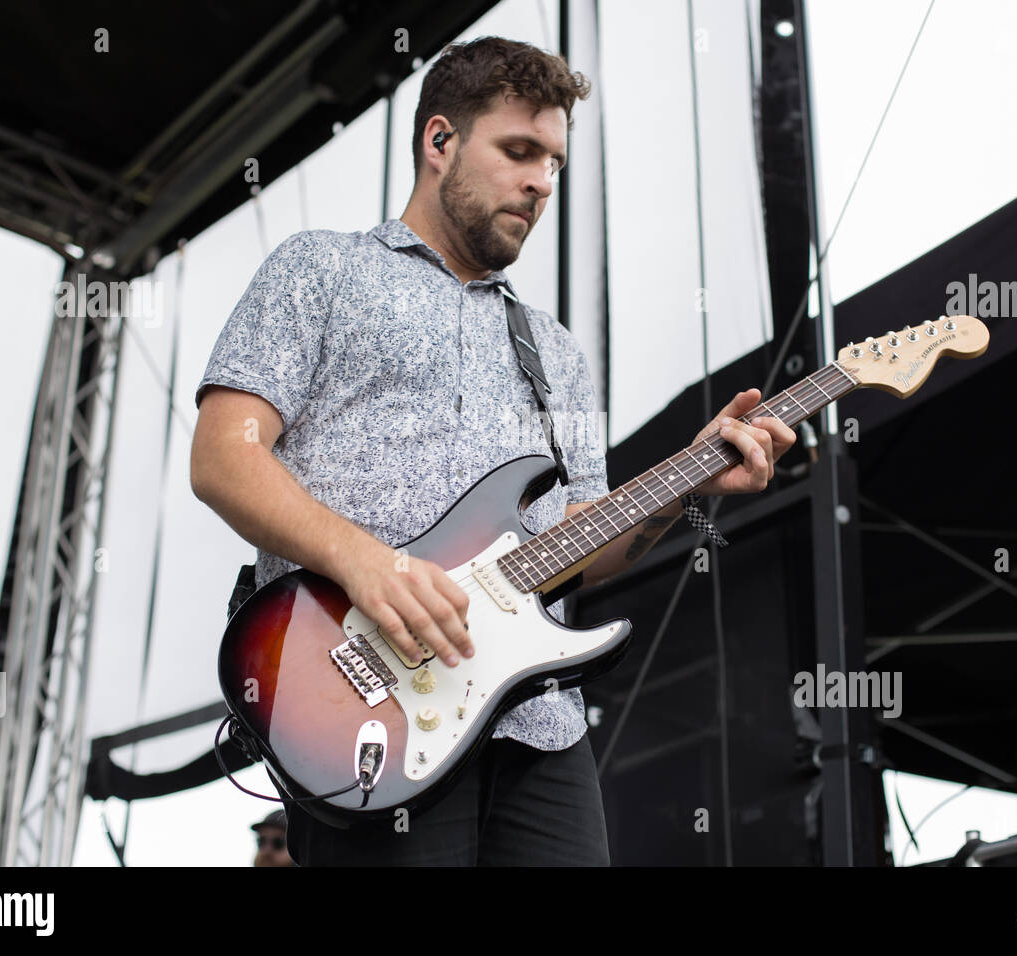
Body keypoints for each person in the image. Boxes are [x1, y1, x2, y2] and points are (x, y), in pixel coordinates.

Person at [190, 35, 795, 866]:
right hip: (360, 706)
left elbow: (584, 545)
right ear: (439, 142)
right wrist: (368, 563)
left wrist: (689, 488)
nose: (541, 182)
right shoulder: (319, 271)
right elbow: (224, 458)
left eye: (554, 162)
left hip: (537, 725)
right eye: (519, 151)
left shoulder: (556, 351)